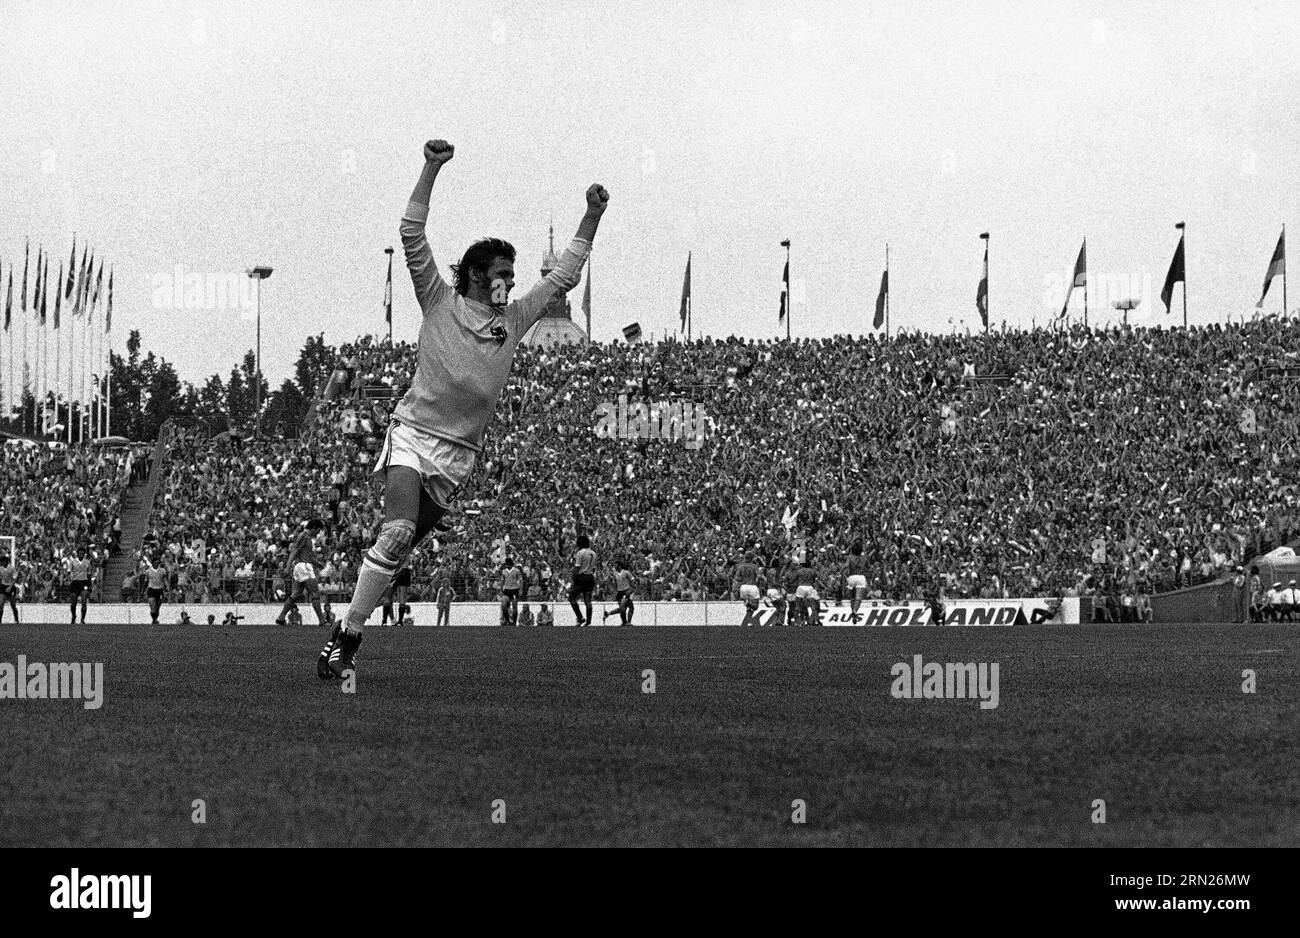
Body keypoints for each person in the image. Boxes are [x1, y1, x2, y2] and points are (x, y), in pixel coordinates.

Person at [317, 137, 604, 679]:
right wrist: (430, 168)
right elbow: (411, 234)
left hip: (458, 458)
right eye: (504, 275)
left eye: (514, 279)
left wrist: (590, 216)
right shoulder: (438, 300)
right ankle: (350, 636)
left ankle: (345, 626)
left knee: (397, 553)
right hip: (412, 433)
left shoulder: (514, 321)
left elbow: (564, 276)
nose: (512, 285)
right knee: (396, 533)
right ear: (476, 274)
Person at [277, 519, 329, 627]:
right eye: (318, 530)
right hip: (303, 567)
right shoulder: (304, 536)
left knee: (296, 594)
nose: (318, 533)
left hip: (300, 567)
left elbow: (308, 556)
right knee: (315, 593)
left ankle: (281, 617)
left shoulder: (307, 538)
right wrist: (287, 567)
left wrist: (318, 564)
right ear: (314, 527)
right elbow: (294, 551)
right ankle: (322, 621)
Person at [568, 534, 598, 627]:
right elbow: (593, 568)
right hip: (590, 577)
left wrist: (573, 578)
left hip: (581, 577)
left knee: (571, 597)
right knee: (588, 601)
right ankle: (588, 621)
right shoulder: (593, 553)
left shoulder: (580, 553)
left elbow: (577, 567)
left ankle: (580, 617)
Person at [602, 557, 636, 626]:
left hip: (626, 591)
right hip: (620, 592)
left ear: (619, 565)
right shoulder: (615, 574)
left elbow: (633, 580)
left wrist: (631, 589)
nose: (615, 566)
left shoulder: (626, 572)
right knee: (625, 608)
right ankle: (626, 622)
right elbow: (614, 583)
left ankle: (624, 622)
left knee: (624, 608)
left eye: (616, 565)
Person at [732, 551, 762, 622]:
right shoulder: (754, 566)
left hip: (743, 587)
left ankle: (749, 622)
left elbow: (736, 578)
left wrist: (736, 587)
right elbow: (759, 576)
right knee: (755, 606)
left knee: (748, 608)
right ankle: (749, 603)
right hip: (752, 586)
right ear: (752, 558)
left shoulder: (740, 566)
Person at [67, 547, 93, 625]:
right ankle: (74, 616)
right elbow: (69, 573)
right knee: (73, 603)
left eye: (82, 554)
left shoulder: (87, 562)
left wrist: (90, 585)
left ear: (84, 554)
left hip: (84, 582)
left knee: (84, 602)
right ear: (77, 554)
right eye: (79, 553)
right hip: (75, 583)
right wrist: (69, 581)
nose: (81, 555)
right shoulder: (73, 562)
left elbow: (89, 574)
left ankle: (82, 619)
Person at [842, 541, 869, 617]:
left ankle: (853, 612)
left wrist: (840, 572)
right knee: (858, 599)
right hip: (861, 577)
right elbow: (868, 567)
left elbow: (846, 566)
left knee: (852, 598)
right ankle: (855, 611)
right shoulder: (864, 558)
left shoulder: (850, 557)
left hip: (851, 577)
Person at [142, 553, 168, 625]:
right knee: (152, 606)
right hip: (151, 589)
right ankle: (154, 619)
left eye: (158, 563)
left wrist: (167, 587)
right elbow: (146, 581)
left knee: (157, 607)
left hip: (160, 590)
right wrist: (143, 590)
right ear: (152, 563)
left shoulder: (162, 570)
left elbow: (165, 579)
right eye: (155, 563)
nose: (157, 564)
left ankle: (154, 620)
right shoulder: (148, 571)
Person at [500, 554, 523, 626]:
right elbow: (502, 581)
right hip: (506, 590)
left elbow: (521, 580)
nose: (506, 565)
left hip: (514, 590)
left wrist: (520, 590)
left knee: (514, 607)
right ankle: (507, 620)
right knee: (503, 606)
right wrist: (501, 589)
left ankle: (514, 622)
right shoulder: (503, 571)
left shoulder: (516, 571)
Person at [0, 556, 19, 624]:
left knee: (13, 605)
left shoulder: (12, 568)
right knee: (1, 604)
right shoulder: (1, 568)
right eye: (1, 562)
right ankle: (0, 621)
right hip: (3, 586)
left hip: (11, 587)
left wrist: (10, 587)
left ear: (6, 562)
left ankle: (16, 619)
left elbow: (15, 578)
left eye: (3, 561)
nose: (2, 563)